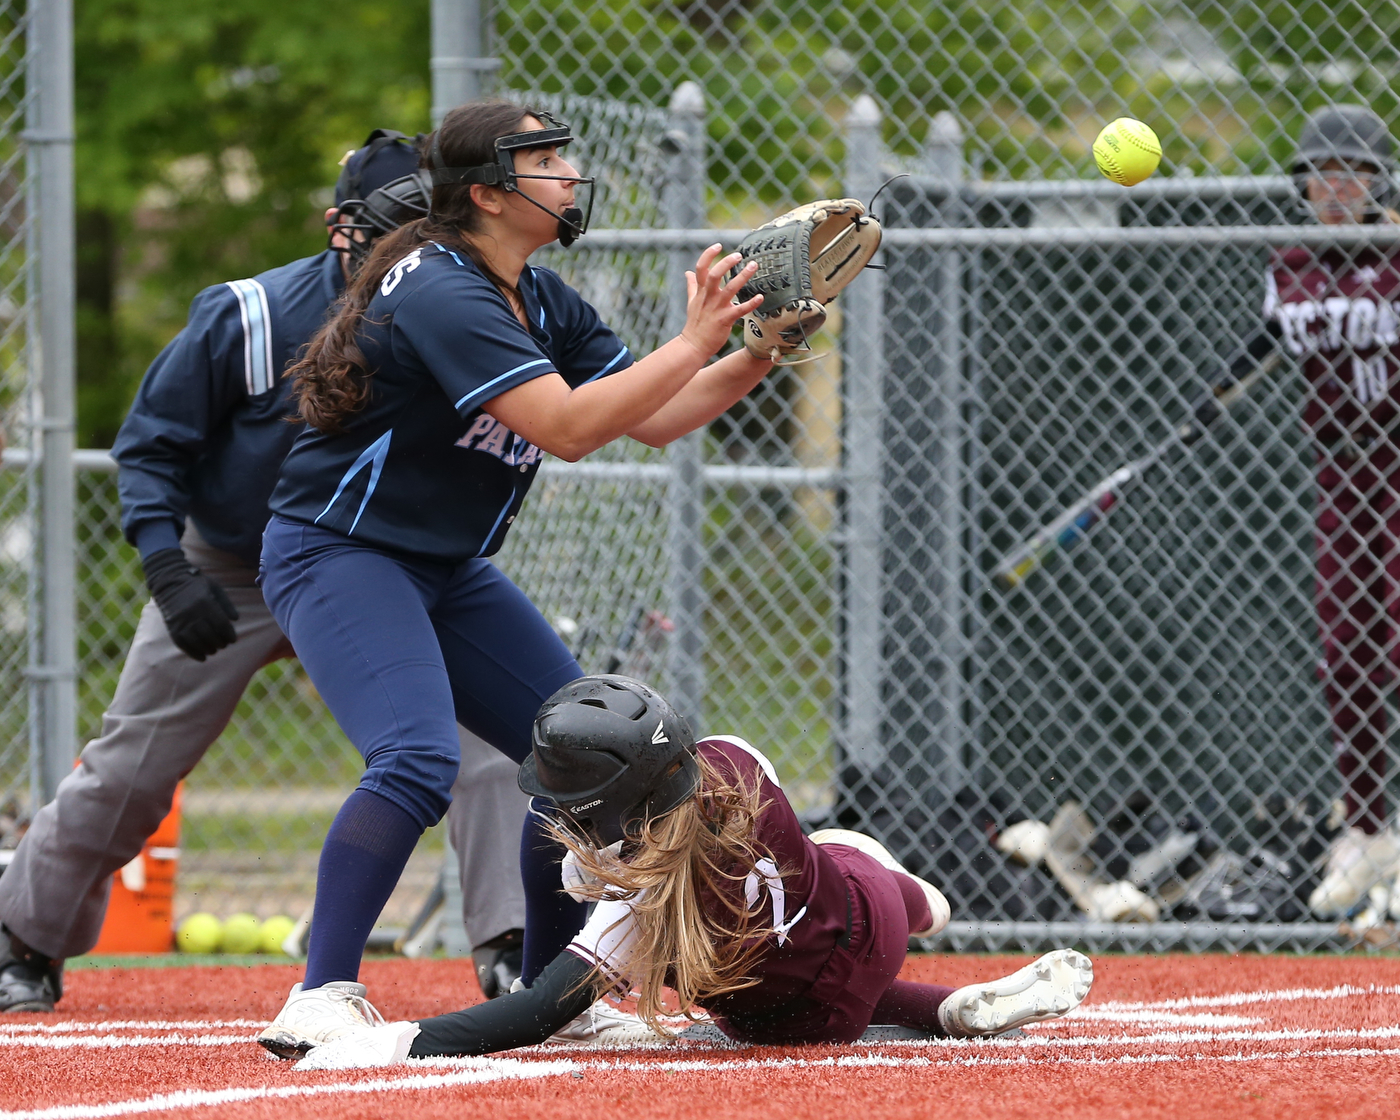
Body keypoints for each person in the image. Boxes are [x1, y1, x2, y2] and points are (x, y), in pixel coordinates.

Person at [252, 98, 781, 1058]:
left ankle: (555, 1001)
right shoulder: (441, 287)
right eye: (542, 160)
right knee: (416, 759)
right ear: (489, 194)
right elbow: (570, 430)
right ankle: (319, 992)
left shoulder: (534, 292)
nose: (569, 175)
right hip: (341, 552)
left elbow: (652, 417)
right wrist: (698, 339)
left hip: (444, 567)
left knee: (582, 763)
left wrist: (754, 351)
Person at [0, 130, 530, 1013]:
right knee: (132, 765)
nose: (414, 247)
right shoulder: (250, 315)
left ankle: (511, 945)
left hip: (394, 566)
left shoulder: (469, 312)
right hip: (236, 568)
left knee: (487, 752)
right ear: (341, 229)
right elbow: (151, 449)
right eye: (395, 223)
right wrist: (169, 571)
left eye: (431, 225)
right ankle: (23, 936)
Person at [294, 675, 1094, 1067]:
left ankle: (945, 1004)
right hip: (864, 915)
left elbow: (530, 1016)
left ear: (620, 807)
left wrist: (393, 1042)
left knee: (773, 972)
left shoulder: (640, 909)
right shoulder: (734, 760)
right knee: (848, 858)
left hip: (797, 1026)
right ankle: (932, 927)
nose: (559, 815)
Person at [1259, 105, 1400, 917]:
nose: (1334, 186)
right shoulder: (1292, 264)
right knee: (1344, 647)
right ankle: (1370, 828)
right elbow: (1267, 343)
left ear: (1380, 182)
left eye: (1353, 171)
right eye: (1320, 171)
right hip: (1338, 477)